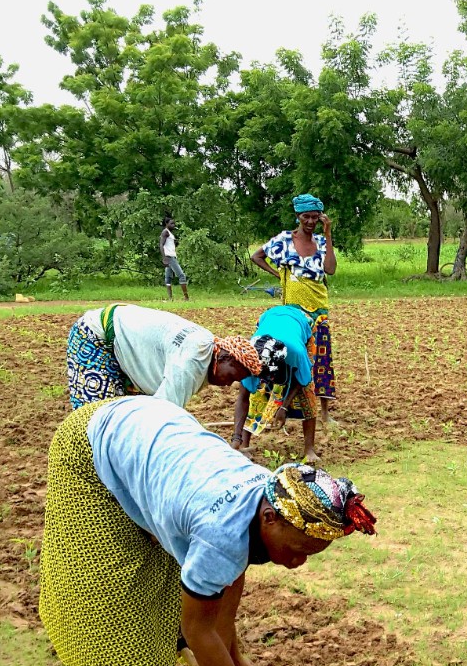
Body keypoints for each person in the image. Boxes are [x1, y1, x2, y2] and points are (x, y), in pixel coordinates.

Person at [38, 396, 376, 666]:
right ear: (269, 519)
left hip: (147, 431)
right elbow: (200, 628)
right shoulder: (223, 533)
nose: (299, 564)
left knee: (181, 580)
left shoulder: (269, 495)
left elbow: (227, 589)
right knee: (134, 598)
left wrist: (230, 665)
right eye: (298, 551)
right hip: (91, 449)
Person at [65, 303, 262, 410]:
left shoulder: (207, 342)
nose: (229, 385)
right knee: (99, 417)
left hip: (124, 342)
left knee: (127, 413)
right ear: (224, 358)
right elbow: (163, 413)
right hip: (96, 336)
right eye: (232, 377)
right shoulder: (191, 362)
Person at [249, 195, 338, 426]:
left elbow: (330, 269)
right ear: (298, 216)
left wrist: (328, 234)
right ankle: (282, 409)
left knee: (321, 362)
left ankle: (324, 414)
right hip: (293, 313)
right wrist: (277, 274)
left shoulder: (320, 241)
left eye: (314, 217)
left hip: (319, 311)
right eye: (305, 216)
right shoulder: (284, 240)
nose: (310, 221)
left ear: (320, 218)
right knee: (292, 361)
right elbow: (256, 256)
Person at [229, 306, 321, 464]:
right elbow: (243, 398)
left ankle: (309, 449)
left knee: (307, 392)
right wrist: (235, 439)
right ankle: (243, 443)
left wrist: (284, 407)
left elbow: (302, 379)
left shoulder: (296, 353)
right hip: (267, 318)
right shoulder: (250, 360)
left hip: (301, 321)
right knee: (258, 393)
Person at [160, 217, 189, 301]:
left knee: (168, 278)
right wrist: (164, 258)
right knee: (181, 275)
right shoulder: (165, 232)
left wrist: (175, 242)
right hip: (170, 257)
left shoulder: (170, 233)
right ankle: (186, 298)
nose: (173, 225)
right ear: (166, 223)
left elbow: (169, 244)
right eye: (171, 223)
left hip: (171, 256)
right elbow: (161, 245)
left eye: (174, 223)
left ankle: (170, 298)